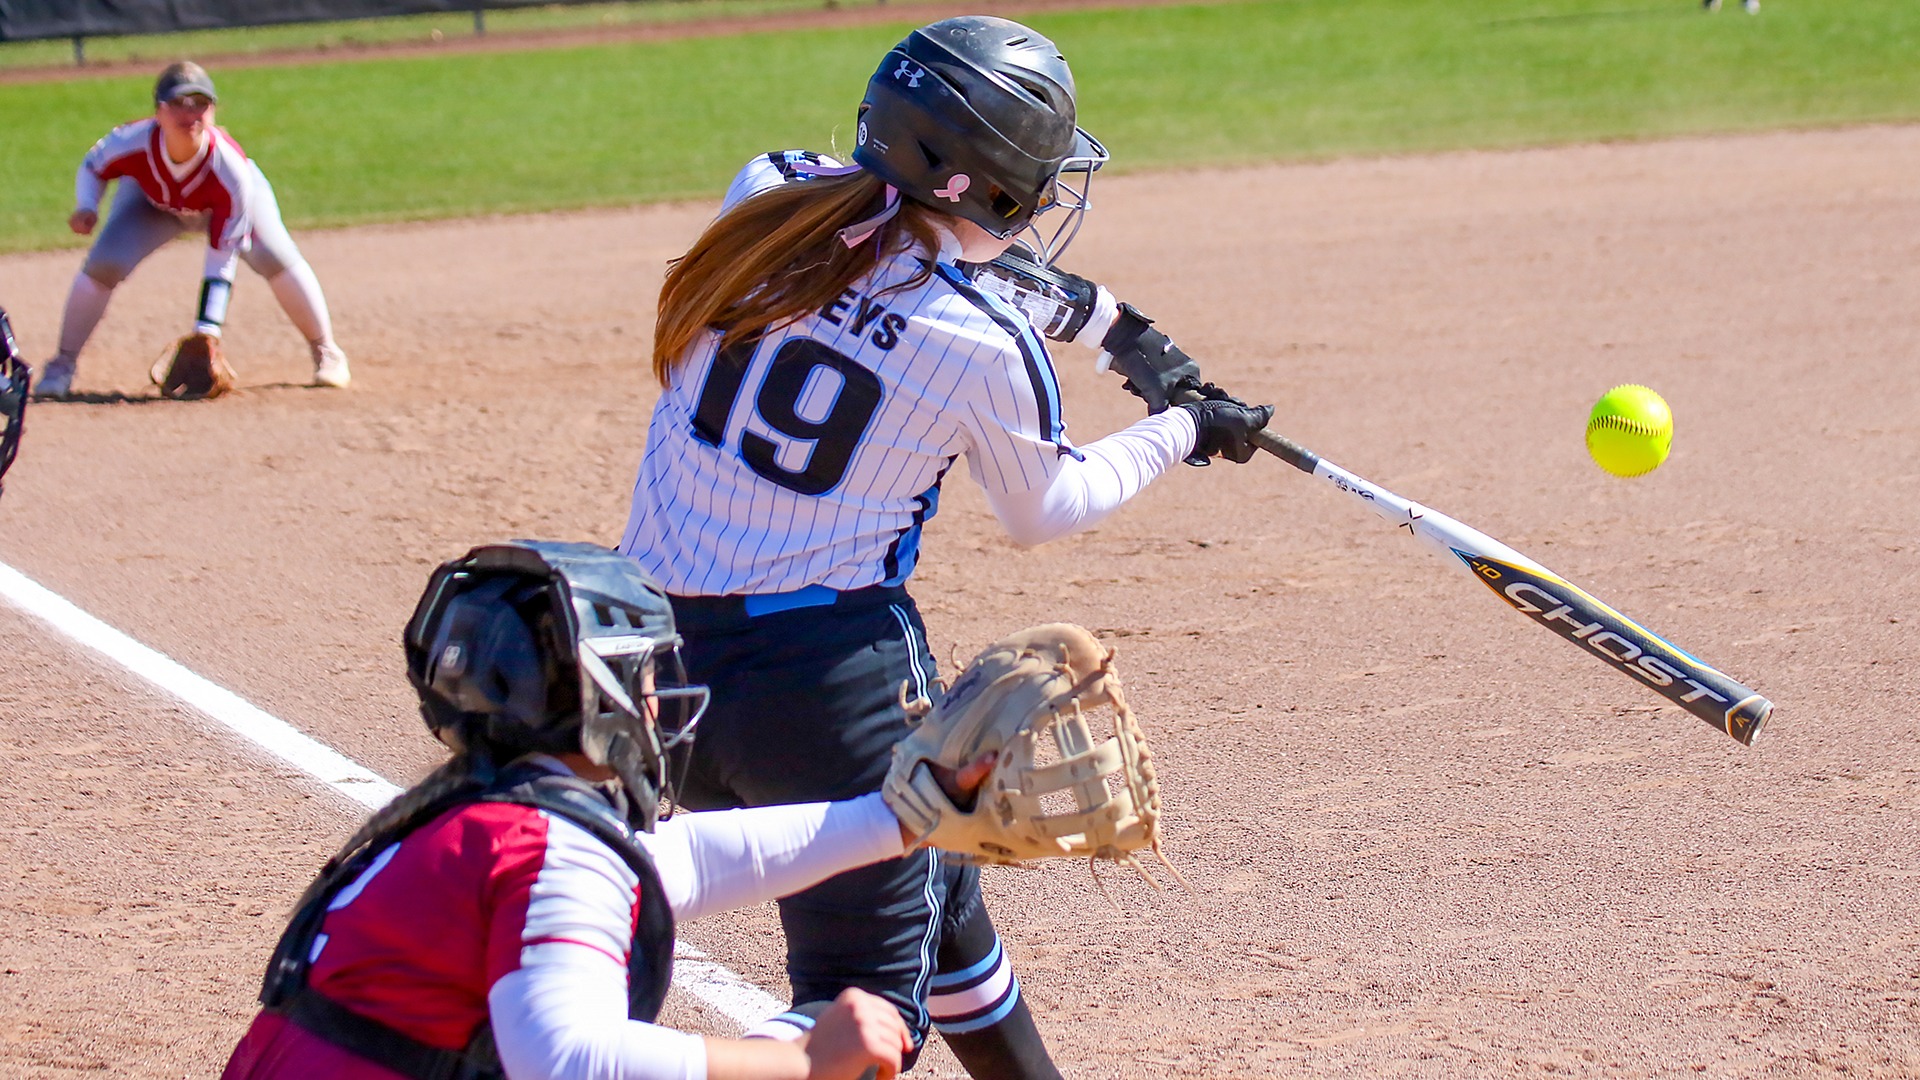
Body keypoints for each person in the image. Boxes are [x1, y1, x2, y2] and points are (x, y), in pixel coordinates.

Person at [617, 16, 1272, 1079]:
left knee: (938, 873)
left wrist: (1120, 332)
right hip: (823, 694)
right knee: (858, 1013)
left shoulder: (769, 194)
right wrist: (1184, 427)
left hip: (647, 674)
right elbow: (1044, 509)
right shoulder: (982, 347)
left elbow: (916, 244)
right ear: (995, 188)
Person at [222, 539, 997, 1080]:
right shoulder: (548, 848)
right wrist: (795, 1062)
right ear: (597, 700)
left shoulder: (478, 817)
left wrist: (900, 816)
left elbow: (683, 860)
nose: (658, 700)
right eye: (643, 674)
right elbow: (568, 1060)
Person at [38, 61, 350, 398]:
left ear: (213, 111)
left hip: (224, 205)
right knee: (103, 264)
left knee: (275, 256)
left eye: (200, 103)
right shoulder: (132, 141)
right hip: (153, 204)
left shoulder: (231, 170)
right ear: (159, 111)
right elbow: (92, 166)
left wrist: (207, 330)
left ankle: (326, 352)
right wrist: (87, 205)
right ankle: (62, 365)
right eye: (178, 104)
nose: (190, 113)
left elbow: (222, 253)